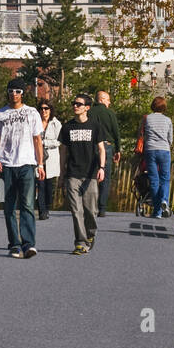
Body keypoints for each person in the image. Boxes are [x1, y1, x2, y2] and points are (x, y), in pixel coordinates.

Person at [0, 78, 45, 259]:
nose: (14, 94)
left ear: (23, 93)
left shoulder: (32, 112)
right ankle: (14, 244)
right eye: (11, 91)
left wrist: (40, 164)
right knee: (8, 207)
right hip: (6, 165)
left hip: (27, 164)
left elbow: (37, 139)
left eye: (18, 91)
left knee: (27, 205)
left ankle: (29, 244)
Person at [59, 93, 106, 254]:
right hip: (73, 173)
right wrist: (62, 173)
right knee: (76, 210)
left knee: (91, 211)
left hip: (91, 174)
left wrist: (102, 168)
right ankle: (80, 242)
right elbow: (63, 152)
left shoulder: (95, 126)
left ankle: (90, 234)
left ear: (87, 107)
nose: (75, 106)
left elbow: (101, 149)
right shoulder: (67, 127)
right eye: (74, 103)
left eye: (79, 104)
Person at [139, 95, 173, 217]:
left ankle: (157, 211)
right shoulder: (168, 120)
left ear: (153, 106)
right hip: (164, 150)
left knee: (154, 180)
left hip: (150, 150)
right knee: (165, 179)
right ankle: (164, 200)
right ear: (164, 107)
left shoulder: (147, 119)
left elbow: (142, 134)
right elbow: (170, 139)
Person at [90, 90, 122, 217]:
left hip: (92, 147)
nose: (109, 102)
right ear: (102, 100)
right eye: (108, 100)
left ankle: (90, 205)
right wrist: (118, 149)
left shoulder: (89, 112)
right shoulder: (109, 113)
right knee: (105, 178)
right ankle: (102, 207)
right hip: (107, 146)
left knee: (91, 176)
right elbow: (116, 132)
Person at [37, 99, 62, 219]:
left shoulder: (56, 124)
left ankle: (47, 207)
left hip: (51, 158)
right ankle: (41, 210)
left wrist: (44, 142)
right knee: (39, 184)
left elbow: (58, 141)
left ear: (50, 110)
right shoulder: (35, 122)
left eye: (46, 108)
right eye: (41, 108)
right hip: (38, 158)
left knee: (48, 185)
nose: (44, 111)